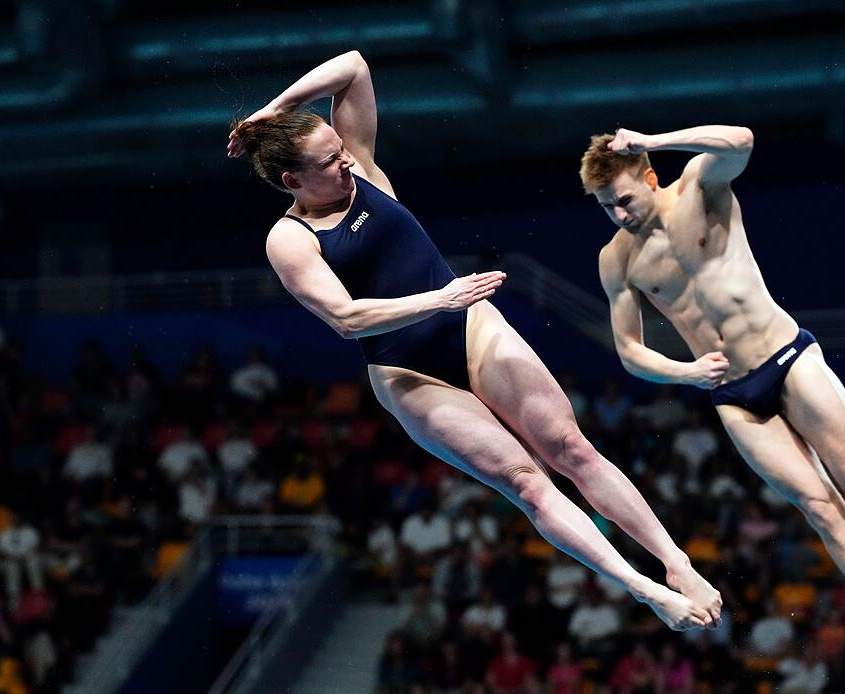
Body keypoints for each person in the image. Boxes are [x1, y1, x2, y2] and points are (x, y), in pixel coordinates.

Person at [227, 49, 719, 631]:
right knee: (527, 484)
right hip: (408, 371)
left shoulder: (360, 165)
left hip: (469, 327)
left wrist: (276, 109)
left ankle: (675, 562)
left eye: (341, 150)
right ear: (293, 180)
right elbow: (345, 317)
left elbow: (355, 66)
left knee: (571, 450)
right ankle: (642, 590)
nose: (346, 164)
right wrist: (437, 298)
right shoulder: (289, 240)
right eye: (329, 163)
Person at [581, 125, 845, 689]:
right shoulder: (617, 260)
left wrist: (656, 136)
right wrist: (687, 373)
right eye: (606, 207)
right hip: (731, 394)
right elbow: (628, 351)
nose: (619, 214)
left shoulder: (700, 186)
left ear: (650, 176)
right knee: (823, 512)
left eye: (625, 198)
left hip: (787, 356)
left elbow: (741, 140)